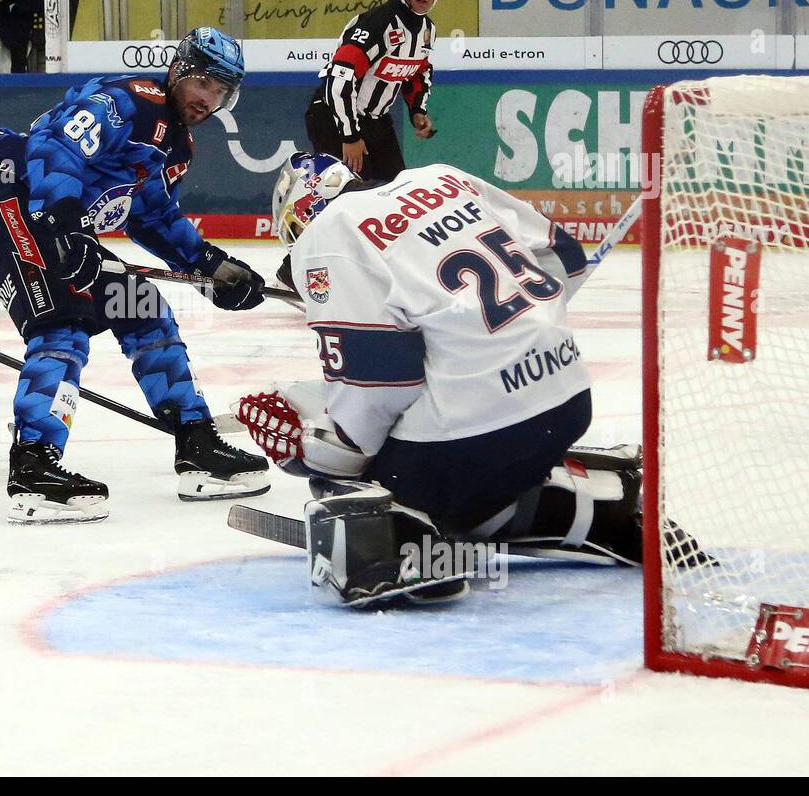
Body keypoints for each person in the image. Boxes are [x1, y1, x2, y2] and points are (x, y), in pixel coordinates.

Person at [237, 152, 708, 607]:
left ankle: (398, 542)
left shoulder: (328, 234)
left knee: (350, 463)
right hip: (567, 401)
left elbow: (378, 384)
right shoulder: (441, 177)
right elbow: (565, 258)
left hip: (477, 436)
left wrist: (315, 449)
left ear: (298, 219)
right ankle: (596, 503)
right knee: (469, 464)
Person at [0, 27, 271, 523]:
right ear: (179, 71)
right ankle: (34, 466)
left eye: (221, 92)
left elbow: (151, 218)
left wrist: (212, 266)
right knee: (63, 323)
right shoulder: (128, 101)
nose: (210, 100)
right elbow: (54, 149)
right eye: (205, 84)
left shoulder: (175, 145)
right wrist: (58, 226)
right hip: (16, 209)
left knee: (143, 308)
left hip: (56, 227)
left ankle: (195, 443)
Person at [304, 0, 441, 186]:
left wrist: (417, 109)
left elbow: (418, 70)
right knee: (346, 196)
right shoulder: (379, 22)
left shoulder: (427, 30)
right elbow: (340, 78)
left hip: (376, 121)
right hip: (333, 116)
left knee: (397, 193)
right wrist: (349, 136)